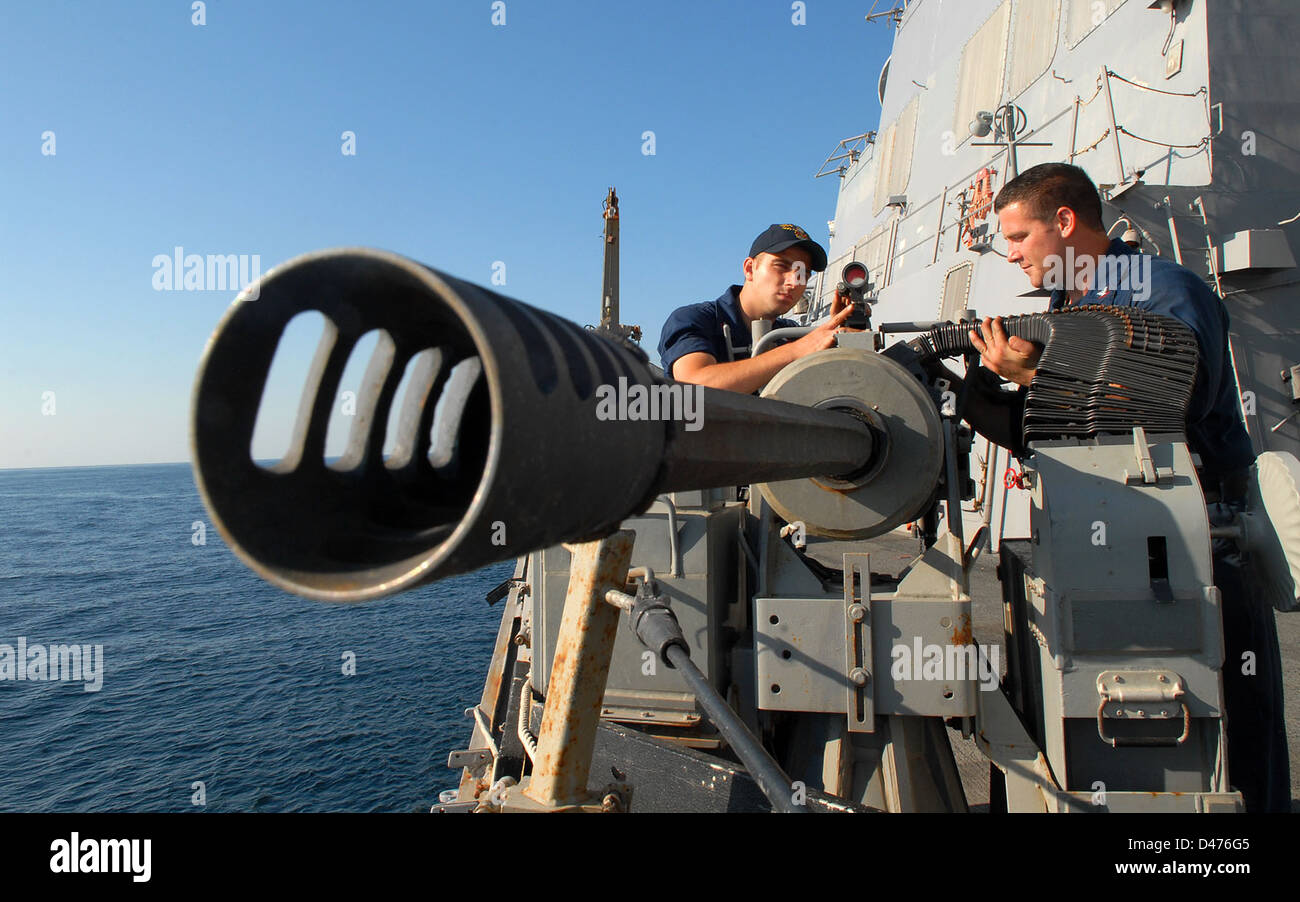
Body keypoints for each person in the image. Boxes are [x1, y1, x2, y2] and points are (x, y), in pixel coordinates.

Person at [968, 162, 1287, 812]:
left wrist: (1039, 372)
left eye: (1021, 236)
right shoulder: (1072, 305)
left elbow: (1168, 401)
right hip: (1107, 536)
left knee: (1224, 725)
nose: (1011, 253)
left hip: (1198, 536)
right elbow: (1068, 425)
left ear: (1064, 222)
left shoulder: (1161, 290)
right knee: (1119, 714)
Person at [658, 224, 854, 394]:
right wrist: (797, 350)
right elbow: (695, 388)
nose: (794, 282)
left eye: (803, 273)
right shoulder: (693, 319)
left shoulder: (790, 334)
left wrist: (839, 339)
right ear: (749, 269)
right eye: (781, 266)